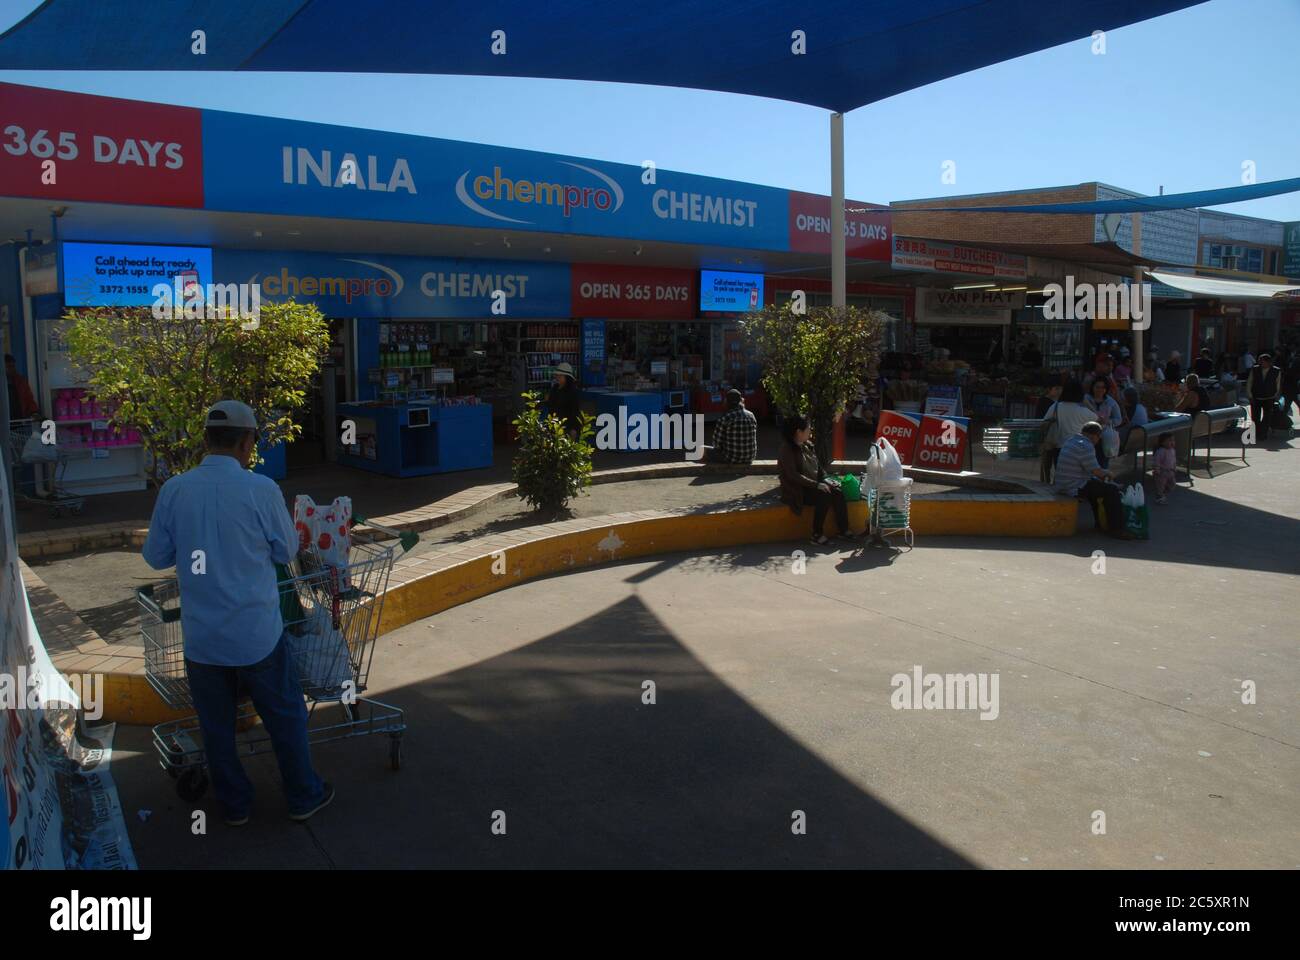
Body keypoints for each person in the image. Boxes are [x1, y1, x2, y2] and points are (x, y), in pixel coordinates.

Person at [142, 401, 333, 826]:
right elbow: (286, 551)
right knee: (284, 718)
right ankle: (303, 796)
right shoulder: (260, 490)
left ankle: (234, 806)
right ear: (247, 442)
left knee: (216, 728)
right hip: (256, 636)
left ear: (206, 440)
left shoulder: (176, 489)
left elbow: (155, 557)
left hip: (204, 639)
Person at [777, 414, 855, 546]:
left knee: (837, 491)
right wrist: (817, 485)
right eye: (808, 429)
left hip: (812, 485)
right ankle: (816, 534)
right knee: (824, 495)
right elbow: (793, 476)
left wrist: (827, 480)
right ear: (798, 432)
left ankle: (844, 529)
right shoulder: (787, 450)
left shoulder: (807, 445)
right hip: (797, 490)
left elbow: (818, 469)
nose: (810, 431)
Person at [1052, 421, 1132, 538]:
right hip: (1073, 486)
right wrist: (1109, 474)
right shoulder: (1086, 445)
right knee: (1111, 491)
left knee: (1098, 488)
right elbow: (1097, 472)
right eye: (1099, 438)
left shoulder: (1072, 440)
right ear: (1095, 436)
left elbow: (1090, 470)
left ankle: (1100, 524)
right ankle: (1117, 529)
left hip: (1063, 483)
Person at [1042, 381, 1094, 481]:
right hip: (1078, 448)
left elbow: (1045, 423)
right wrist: (1087, 404)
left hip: (1058, 447)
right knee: (1077, 477)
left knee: (1060, 475)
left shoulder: (1055, 407)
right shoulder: (1083, 411)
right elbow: (1099, 420)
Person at [706, 388, 757, 464]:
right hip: (750, 457)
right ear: (741, 401)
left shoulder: (725, 418)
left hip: (731, 458)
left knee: (703, 450)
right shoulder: (751, 415)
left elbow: (716, 444)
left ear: (726, 402)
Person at [1085, 377, 1124, 468]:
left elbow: (1118, 419)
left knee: (1102, 462)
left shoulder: (1111, 402)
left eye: (1102, 387)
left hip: (1104, 437)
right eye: (1097, 387)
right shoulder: (1085, 400)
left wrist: (1108, 421)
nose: (1100, 390)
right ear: (1092, 388)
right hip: (1087, 436)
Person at [1245, 353, 1281, 443]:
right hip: (1256, 397)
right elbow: (1250, 382)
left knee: (1267, 417)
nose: (1261, 363)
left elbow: (1278, 384)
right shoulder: (1255, 369)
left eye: (1263, 362)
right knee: (1255, 417)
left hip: (1269, 397)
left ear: (1268, 362)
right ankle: (1255, 433)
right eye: (1260, 361)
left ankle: (1263, 434)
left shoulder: (1276, 371)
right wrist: (1250, 395)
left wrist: (1276, 395)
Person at [545, 362, 582, 438]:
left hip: (567, 426)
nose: (557, 377)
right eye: (557, 375)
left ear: (567, 377)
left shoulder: (572, 391)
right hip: (554, 424)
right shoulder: (555, 388)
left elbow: (574, 411)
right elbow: (551, 405)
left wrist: (573, 429)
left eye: (560, 376)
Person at [4, 353, 40, 419]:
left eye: (13, 366)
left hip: (19, 420)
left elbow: (29, 399)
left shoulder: (21, 381)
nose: (12, 369)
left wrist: (34, 412)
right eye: (9, 366)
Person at [1152, 432, 1177, 505]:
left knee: (1172, 484)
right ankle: (1160, 496)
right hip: (1162, 472)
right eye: (1169, 440)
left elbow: (1174, 460)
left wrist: (1175, 467)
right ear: (1162, 442)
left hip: (1170, 471)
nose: (1172, 442)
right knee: (1161, 485)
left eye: (1173, 440)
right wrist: (1157, 469)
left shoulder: (1172, 450)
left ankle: (1162, 494)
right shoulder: (1161, 451)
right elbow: (1157, 461)